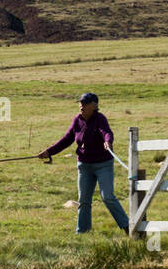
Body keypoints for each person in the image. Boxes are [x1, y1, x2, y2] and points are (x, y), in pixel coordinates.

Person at [38, 92, 130, 235]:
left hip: (103, 164)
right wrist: (49, 152)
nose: (82, 106)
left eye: (85, 103)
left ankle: (127, 227)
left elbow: (106, 132)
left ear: (95, 106)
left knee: (107, 197)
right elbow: (66, 139)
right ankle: (82, 232)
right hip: (84, 166)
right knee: (84, 200)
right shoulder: (77, 120)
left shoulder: (100, 119)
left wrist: (108, 142)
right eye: (81, 102)